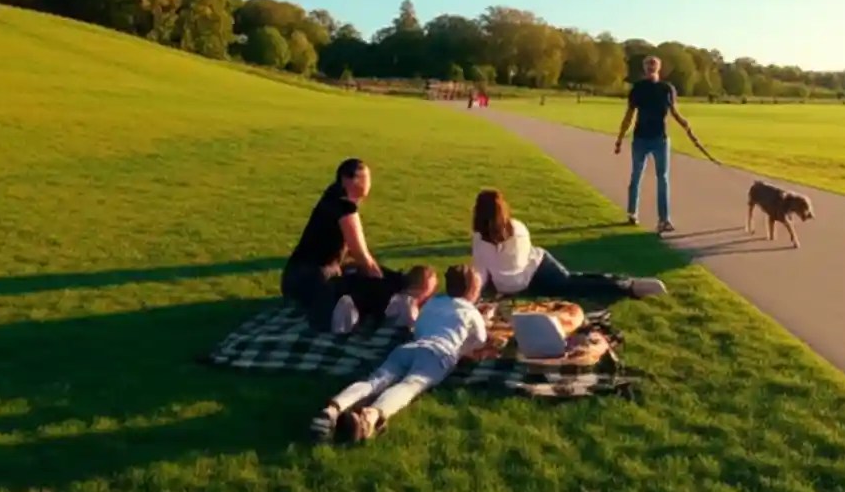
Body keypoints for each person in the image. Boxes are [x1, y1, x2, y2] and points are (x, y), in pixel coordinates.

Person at [311, 265, 488, 443]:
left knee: (374, 380)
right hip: (439, 354)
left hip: (410, 347)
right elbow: (480, 340)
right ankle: (372, 415)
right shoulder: (471, 312)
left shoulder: (433, 303)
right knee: (409, 386)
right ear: (473, 291)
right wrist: (462, 350)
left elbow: (418, 328)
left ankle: (333, 408)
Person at [281, 158, 405, 333]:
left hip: (295, 278)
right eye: (365, 178)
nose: (369, 183)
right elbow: (361, 255)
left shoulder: (331, 195)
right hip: (314, 279)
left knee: (359, 274)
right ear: (349, 181)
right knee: (374, 284)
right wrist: (381, 282)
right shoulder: (344, 207)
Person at [470, 189, 667, 299]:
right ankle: (629, 285)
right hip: (537, 267)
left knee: (572, 285)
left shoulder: (481, 242)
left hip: (524, 279)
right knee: (573, 282)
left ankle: (628, 285)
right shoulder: (518, 228)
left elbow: (482, 276)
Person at [614, 55, 695, 232]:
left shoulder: (667, 88)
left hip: (660, 139)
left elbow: (674, 111)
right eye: (648, 65)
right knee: (636, 176)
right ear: (644, 68)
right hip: (641, 138)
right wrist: (620, 138)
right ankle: (632, 213)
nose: (651, 68)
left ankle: (664, 219)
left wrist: (685, 124)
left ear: (659, 68)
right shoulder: (638, 88)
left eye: (654, 65)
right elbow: (629, 114)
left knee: (663, 179)